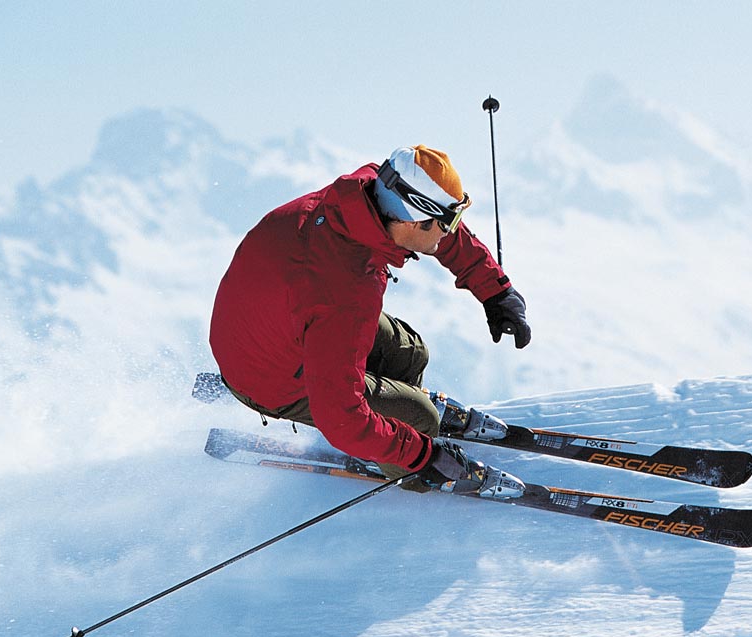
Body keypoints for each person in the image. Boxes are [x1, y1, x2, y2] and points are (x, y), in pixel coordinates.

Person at [209, 145, 531, 493]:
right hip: (269, 379)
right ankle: (398, 463)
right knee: (420, 419)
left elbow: (438, 237)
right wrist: (423, 456)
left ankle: (385, 426)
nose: (450, 231)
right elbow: (341, 419)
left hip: (271, 332)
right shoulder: (344, 290)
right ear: (412, 220)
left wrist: (496, 291)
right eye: (446, 222)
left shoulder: (367, 197)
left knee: (410, 352)